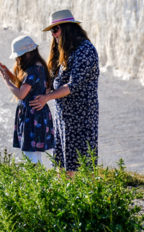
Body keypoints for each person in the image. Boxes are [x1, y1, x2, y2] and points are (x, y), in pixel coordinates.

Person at [29, 9, 99, 173]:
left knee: (81, 164)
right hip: (64, 116)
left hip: (81, 115)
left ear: (67, 28)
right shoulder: (67, 49)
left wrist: (46, 98)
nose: (53, 35)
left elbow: (72, 85)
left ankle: (82, 190)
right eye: (52, 31)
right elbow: (55, 79)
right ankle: (65, 189)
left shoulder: (85, 50)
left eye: (55, 30)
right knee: (63, 162)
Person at [0, 35, 55, 163]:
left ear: (26, 54)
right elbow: (27, 87)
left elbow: (21, 94)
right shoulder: (40, 67)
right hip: (38, 115)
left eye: (18, 56)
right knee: (36, 155)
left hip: (32, 117)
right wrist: (8, 74)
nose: (17, 59)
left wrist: (6, 81)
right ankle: (40, 175)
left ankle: (35, 176)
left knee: (31, 157)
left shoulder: (32, 70)